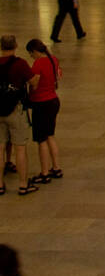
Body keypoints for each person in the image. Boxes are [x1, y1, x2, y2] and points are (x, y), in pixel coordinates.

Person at [0, 37, 37, 196]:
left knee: (0, 148)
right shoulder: (20, 64)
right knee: (20, 148)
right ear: (15, 46)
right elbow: (33, 81)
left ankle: (0, 184)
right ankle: (23, 184)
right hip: (16, 109)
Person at [25, 40, 62, 184]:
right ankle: (56, 167)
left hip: (41, 103)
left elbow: (34, 82)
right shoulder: (54, 59)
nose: (31, 57)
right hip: (53, 100)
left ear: (34, 51)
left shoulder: (38, 63)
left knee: (41, 140)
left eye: (31, 54)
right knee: (50, 135)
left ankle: (44, 172)